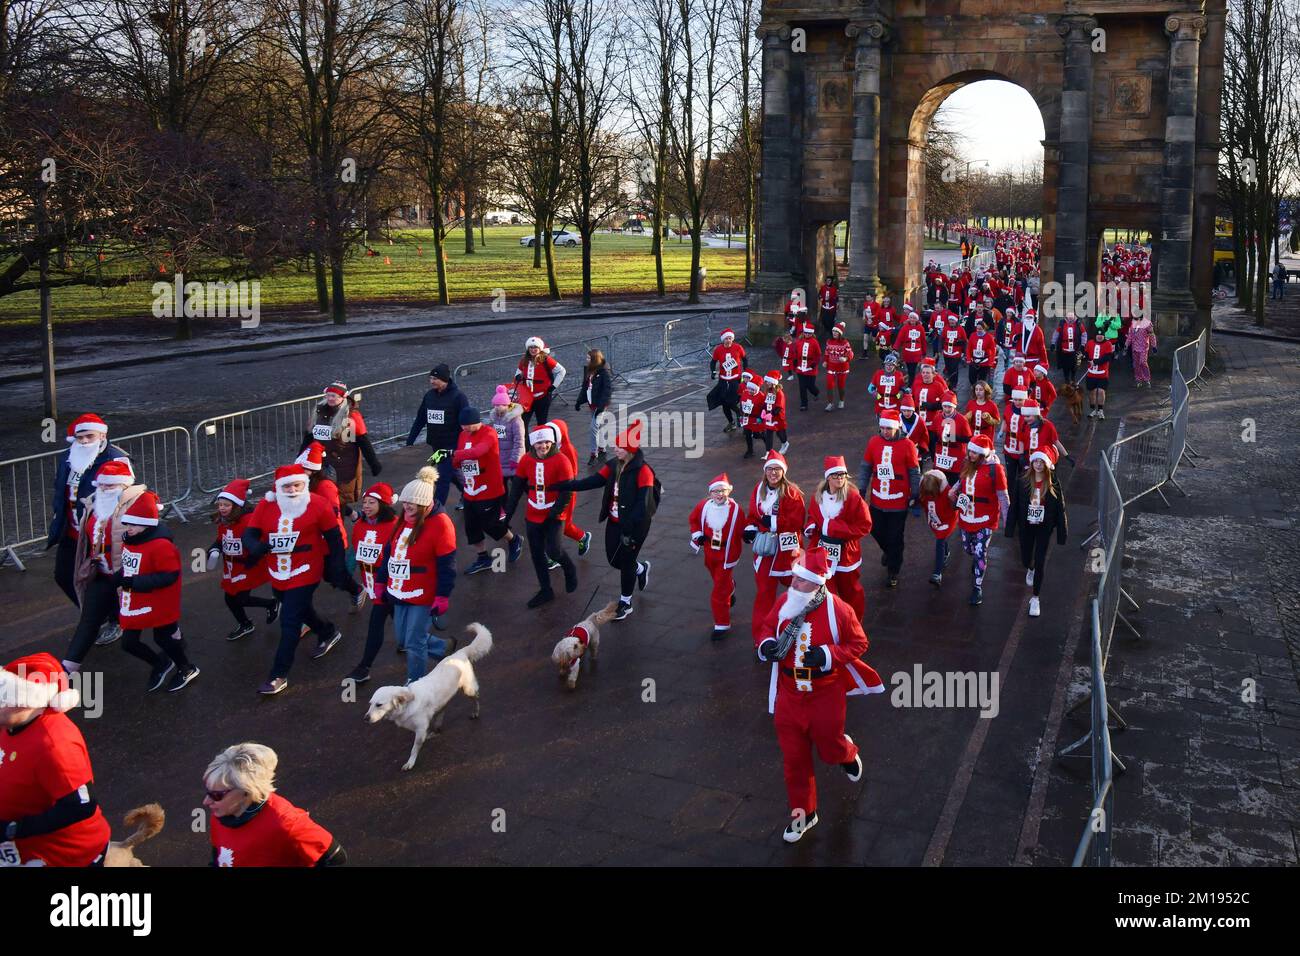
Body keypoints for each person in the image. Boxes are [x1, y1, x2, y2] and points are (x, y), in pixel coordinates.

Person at [756, 547, 883, 844]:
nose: (794, 584)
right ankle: (804, 815)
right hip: (789, 696)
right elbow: (766, 628)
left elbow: (859, 643)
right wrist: (766, 646)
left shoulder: (839, 609)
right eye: (795, 578)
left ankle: (845, 752)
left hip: (825, 695)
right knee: (794, 761)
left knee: (829, 748)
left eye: (802, 580)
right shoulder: (785, 602)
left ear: (818, 582)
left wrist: (827, 655)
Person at [242, 464, 350, 695]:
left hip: (306, 568)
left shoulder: (317, 504)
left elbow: (334, 538)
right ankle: (327, 630)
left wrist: (337, 566)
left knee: (290, 621)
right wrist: (256, 546)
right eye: (287, 486)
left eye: (297, 485)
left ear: (305, 484)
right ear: (279, 487)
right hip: (278, 570)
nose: (292, 490)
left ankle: (278, 675)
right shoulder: (267, 505)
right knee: (299, 609)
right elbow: (249, 534)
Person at [0, 654, 112, 866]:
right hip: (23, 849)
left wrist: (13, 829)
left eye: (3, 696)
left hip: (64, 854)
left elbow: (80, 806)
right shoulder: (9, 724)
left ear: (26, 700)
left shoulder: (54, 743)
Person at [553, 425, 659, 621]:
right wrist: (567, 485)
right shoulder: (613, 465)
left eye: (619, 446)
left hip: (636, 524)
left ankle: (625, 603)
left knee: (626, 561)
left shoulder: (644, 472)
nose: (614, 448)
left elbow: (643, 505)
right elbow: (593, 481)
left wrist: (629, 528)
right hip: (615, 520)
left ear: (630, 450)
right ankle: (640, 568)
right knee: (613, 559)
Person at [61, 460, 147, 675]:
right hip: (100, 574)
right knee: (88, 621)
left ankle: (175, 660)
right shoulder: (92, 504)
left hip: (129, 576)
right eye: (102, 486)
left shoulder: (139, 503)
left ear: (124, 485)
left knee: (149, 624)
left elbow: (155, 536)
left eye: (110, 485)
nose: (105, 490)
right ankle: (67, 670)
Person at [375, 468, 459, 684]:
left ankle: (415, 683)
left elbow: (447, 565)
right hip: (398, 590)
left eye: (412, 503)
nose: (407, 507)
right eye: (405, 503)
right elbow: (389, 554)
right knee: (404, 639)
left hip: (423, 594)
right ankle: (442, 647)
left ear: (425, 503)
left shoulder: (441, 524)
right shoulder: (403, 519)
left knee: (413, 642)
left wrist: (442, 595)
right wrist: (381, 581)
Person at [204, 742, 345, 867]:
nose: (206, 802)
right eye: (208, 792)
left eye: (216, 795)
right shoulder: (220, 812)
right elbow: (220, 858)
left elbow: (335, 858)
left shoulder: (286, 822)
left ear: (246, 791)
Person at [116, 491, 200, 693]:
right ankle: (160, 664)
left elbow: (169, 575)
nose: (128, 528)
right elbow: (128, 566)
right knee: (128, 643)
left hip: (159, 602)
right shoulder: (131, 540)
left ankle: (187, 668)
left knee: (163, 639)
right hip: (136, 599)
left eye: (132, 525)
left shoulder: (162, 546)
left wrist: (132, 582)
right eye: (127, 524)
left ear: (146, 524)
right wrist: (118, 579)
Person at [46, 413, 131, 611]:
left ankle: (111, 618)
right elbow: (60, 490)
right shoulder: (67, 457)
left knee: (103, 579)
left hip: (98, 532)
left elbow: (125, 497)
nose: (84, 441)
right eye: (79, 437)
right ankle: (93, 615)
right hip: (71, 531)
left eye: (89, 436)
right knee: (64, 576)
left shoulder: (116, 458)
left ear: (102, 436)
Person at [504, 423, 578, 609]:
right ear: (533, 444)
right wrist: (507, 515)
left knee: (553, 551)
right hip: (533, 514)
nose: (543, 446)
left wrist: (554, 514)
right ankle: (546, 590)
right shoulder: (526, 461)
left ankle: (569, 568)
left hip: (554, 515)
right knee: (537, 554)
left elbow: (566, 492)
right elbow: (516, 490)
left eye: (546, 442)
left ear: (552, 442)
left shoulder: (562, 460)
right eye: (539, 443)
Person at [742, 451, 806, 647]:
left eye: (777, 469)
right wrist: (750, 528)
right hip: (766, 553)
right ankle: (762, 637)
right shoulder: (758, 490)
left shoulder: (792, 492)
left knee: (797, 591)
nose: (773, 473)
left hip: (788, 553)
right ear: (765, 471)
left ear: (783, 472)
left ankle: (801, 630)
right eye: (770, 469)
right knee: (764, 595)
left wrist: (775, 522)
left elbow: (797, 520)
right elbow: (753, 515)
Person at [297, 442, 367, 612]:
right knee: (306, 578)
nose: (299, 472)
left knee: (334, 576)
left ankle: (357, 590)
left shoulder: (325, 486)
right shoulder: (301, 483)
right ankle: (302, 615)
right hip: (310, 540)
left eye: (303, 469)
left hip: (330, 540)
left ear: (313, 469)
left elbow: (332, 513)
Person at [452, 406, 522, 576]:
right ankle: (483, 558)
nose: (466, 428)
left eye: (469, 425)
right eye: (463, 426)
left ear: (478, 422)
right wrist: (455, 461)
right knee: (472, 526)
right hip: (470, 489)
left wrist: (454, 453)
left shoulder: (489, 433)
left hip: (489, 489)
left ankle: (514, 540)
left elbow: (478, 452)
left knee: (491, 525)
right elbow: (459, 458)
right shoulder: (462, 435)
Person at [343, 483, 401, 685]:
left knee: (376, 625)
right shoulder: (359, 525)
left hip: (390, 586)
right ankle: (436, 646)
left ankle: (364, 667)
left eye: (371, 502)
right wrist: (346, 571)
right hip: (372, 585)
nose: (365, 506)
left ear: (383, 504)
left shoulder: (395, 525)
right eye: (365, 502)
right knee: (402, 624)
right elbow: (356, 552)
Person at [209, 478, 279, 642]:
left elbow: (260, 541)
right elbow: (221, 539)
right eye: (220, 505)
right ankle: (245, 624)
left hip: (249, 564)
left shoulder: (248, 520)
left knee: (240, 598)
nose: (222, 508)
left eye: (226, 505)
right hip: (232, 566)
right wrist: (214, 549)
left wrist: (253, 559)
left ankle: (271, 604)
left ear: (236, 505)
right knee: (229, 598)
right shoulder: (224, 521)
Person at [803, 456, 871, 621]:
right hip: (823, 553)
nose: (840, 478)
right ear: (828, 477)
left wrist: (834, 528)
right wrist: (811, 526)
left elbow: (865, 525)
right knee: (827, 592)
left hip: (846, 554)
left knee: (851, 591)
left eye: (842, 475)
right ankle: (832, 622)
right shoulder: (817, 497)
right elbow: (813, 516)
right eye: (836, 475)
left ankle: (854, 621)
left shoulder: (853, 497)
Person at [1005, 446, 1069, 618]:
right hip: (1026, 526)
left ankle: (1035, 598)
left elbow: (1060, 507)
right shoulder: (1022, 481)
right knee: (1026, 559)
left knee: (1040, 560)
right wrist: (1010, 528)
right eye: (1036, 462)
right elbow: (1015, 505)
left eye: (1042, 462)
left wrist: (1062, 532)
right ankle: (1030, 567)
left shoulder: (1053, 483)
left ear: (1047, 465)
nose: (1038, 465)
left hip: (1044, 528)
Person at [859, 412, 920, 588]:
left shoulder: (907, 445)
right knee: (875, 529)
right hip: (878, 499)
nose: (885, 431)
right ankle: (889, 552)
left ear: (897, 427)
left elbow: (913, 471)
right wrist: (862, 489)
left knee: (895, 537)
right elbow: (866, 467)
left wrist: (914, 493)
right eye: (883, 428)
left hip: (899, 502)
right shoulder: (873, 442)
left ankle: (893, 570)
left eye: (889, 428)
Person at [948, 434, 1009, 606]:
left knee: (980, 552)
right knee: (969, 549)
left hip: (986, 519)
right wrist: (953, 491)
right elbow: (961, 482)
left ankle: (977, 587)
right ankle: (976, 564)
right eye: (970, 451)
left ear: (983, 454)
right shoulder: (967, 463)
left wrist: (1008, 520)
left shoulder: (995, 470)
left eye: (975, 452)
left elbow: (1003, 496)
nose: (970, 455)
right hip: (966, 517)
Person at [301, 382, 381, 505]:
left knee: (338, 500)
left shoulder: (350, 416)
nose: (330, 399)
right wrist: (300, 456)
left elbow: (362, 441)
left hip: (342, 465)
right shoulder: (319, 412)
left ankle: (343, 519)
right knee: (319, 497)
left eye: (334, 396)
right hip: (319, 463)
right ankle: (352, 515)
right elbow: (309, 436)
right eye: (328, 395)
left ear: (342, 397)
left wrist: (373, 463)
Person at [689, 473, 743, 640]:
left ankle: (721, 624)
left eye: (723, 491)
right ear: (710, 493)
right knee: (719, 580)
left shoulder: (735, 509)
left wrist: (749, 532)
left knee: (719, 590)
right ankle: (730, 586)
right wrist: (697, 535)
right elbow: (693, 520)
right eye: (716, 491)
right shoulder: (703, 506)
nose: (720, 494)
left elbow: (744, 525)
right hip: (710, 553)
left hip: (727, 556)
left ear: (729, 492)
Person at [406, 364, 470, 506]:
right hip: (436, 445)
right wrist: (411, 439)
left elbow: (467, 422)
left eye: (435, 378)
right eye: (431, 378)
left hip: (451, 445)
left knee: (442, 477)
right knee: (450, 473)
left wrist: (467, 443)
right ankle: (468, 495)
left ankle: (436, 510)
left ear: (444, 379)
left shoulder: (458, 397)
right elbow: (421, 418)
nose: (432, 381)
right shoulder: (429, 396)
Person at [918, 470, 959, 586]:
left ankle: (937, 573)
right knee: (941, 539)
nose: (930, 496)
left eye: (932, 494)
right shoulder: (924, 488)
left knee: (939, 541)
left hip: (947, 519)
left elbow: (955, 507)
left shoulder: (947, 492)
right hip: (935, 518)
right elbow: (922, 501)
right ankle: (946, 552)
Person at [515, 336, 566, 428]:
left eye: (535, 347)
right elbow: (518, 372)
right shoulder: (524, 360)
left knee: (541, 423)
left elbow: (561, 371)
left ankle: (542, 441)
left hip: (543, 397)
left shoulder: (546, 359)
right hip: (527, 398)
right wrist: (518, 377)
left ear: (540, 348)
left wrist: (554, 386)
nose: (533, 349)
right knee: (523, 423)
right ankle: (526, 442)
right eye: (531, 347)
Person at [576, 348, 615, 460]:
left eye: (589, 358)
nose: (586, 359)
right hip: (592, 404)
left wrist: (601, 407)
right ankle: (602, 447)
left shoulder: (604, 372)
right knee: (599, 426)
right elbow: (585, 387)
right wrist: (579, 401)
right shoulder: (588, 370)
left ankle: (594, 453)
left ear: (594, 359)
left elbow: (607, 391)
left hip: (600, 405)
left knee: (593, 427)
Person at [929, 391, 972, 486]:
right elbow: (933, 434)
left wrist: (956, 438)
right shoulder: (937, 417)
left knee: (954, 482)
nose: (947, 410)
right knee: (938, 482)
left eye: (950, 407)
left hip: (955, 455)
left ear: (954, 407)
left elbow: (968, 438)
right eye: (945, 407)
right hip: (941, 454)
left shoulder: (961, 419)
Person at [488, 385, 526, 480]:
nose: (499, 407)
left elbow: (519, 441)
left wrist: (516, 459)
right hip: (500, 459)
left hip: (512, 459)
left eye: (502, 405)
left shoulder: (515, 420)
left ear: (507, 405)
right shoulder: (495, 418)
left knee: (518, 484)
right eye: (496, 405)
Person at [822, 321, 853, 411]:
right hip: (831, 367)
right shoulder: (829, 341)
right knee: (829, 384)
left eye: (836, 332)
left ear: (840, 333)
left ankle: (841, 400)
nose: (834, 333)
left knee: (841, 385)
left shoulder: (845, 342)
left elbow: (850, 354)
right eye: (833, 331)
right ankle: (830, 403)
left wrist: (846, 358)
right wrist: (825, 361)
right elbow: (827, 353)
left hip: (842, 368)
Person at [1083, 333, 1116, 418]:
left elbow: (1107, 357)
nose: (1099, 336)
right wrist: (1086, 358)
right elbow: (1086, 354)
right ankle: (1093, 410)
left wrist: (1095, 362)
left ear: (1104, 336)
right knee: (1092, 392)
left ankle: (1100, 410)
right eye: (1097, 335)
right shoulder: (1090, 342)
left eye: (1101, 335)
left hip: (1102, 374)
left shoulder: (1108, 344)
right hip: (1091, 373)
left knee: (1101, 391)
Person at [790, 322, 822, 410]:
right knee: (802, 387)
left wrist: (814, 363)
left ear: (812, 333)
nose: (807, 334)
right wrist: (795, 361)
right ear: (803, 332)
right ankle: (804, 404)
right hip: (800, 367)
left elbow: (818, 355)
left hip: (810, 367)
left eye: (809, 333)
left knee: (810, 385)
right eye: (806, 333)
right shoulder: (799, 341)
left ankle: (816, 392)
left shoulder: (814, 342)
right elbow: (795, 352)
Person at [893, 307, 928, 380]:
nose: (912, 319)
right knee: (909, 369)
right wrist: (895, 348)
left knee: (913, 369)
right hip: (907, 352)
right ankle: (911, 382)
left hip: (916, 352)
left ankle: (911, 383)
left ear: (917, 319)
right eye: (911, 317)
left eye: (914, 318)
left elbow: (923, 341)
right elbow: (899, 338)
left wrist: (924, 352)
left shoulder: (920, 328)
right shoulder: (905, 327)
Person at [868, 351, 906, 416]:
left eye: (891, 365)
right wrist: (876, 394)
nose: (889, 366)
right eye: (887, 364)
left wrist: (898, 395)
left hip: (895, 407)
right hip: (880, 407)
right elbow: (870, 388)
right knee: (882, 425)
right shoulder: (878, 374)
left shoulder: (899, 375)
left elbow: (903, 388)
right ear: (884, 364)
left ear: (895, 366)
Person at [761, 370, 790, 454]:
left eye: (769, 382)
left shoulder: (779, 393)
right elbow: (765, 402)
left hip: (778, 417)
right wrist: (763, 410)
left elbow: (779, 407)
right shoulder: (767, 391)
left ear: (774, 382)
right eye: (767, 381)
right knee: (769, 433)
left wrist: (771, 414)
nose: (767, 383)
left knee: (780, 433)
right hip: (769, 417)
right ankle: (768, 452)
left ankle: (785, 443)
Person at [739, 378, 769, 460]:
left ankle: (769, 449)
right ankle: (750, 450)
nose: (750, 391)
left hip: (757, 418)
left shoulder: (762, 397)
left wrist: (760, 418)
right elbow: (741, 404)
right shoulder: (745, 393)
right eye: (749, 389)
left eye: (752, 389)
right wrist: (741, 415)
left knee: (760, 435)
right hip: (747, 418)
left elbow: (764, 409)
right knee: (747, 434)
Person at [1053, 311, 1087, 381]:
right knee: (1065, 365)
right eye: (1069, 316)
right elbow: (1056, 333)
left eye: (1072, 316)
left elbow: (1084, 334)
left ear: (1074, 316)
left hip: (1075, 349)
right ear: (1066, 317)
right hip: (1064, 349)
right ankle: (1066, 378)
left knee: (1075, 365)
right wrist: (1053, 343)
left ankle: (1073, 377)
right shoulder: (1062, 323)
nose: (1070, 318)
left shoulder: (1079, 324)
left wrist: (1083, 344)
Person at [939, 311, 967, 390]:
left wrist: (964, 353)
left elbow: (965, 341)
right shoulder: (946, 328)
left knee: (954, 368)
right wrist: (939, 349)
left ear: (956, 321)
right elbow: (941, 339)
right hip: (946, 352)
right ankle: (949, 383)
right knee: (948, 368)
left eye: (953, 320)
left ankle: (954, 385)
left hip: (956, 352)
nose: (951, 322)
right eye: (950, 320)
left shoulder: (960, 329)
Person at [965, 317, 997, 387]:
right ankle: (974, 388)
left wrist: (991, 361)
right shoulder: (972, 335)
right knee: (971, 378)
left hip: (984, 362)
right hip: (974, 361)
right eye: (977, 329)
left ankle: (980, 390)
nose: (978, 330)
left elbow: (993, 350)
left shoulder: (989, 337)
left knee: (982, 379)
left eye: (980, 329)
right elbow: (969, 348)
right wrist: (968, 358)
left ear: (984, 329)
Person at [1128, 314, 1157, 388]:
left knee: (1142, 362)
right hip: (1135, 347)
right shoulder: (1133, 323)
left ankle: (1147, 379)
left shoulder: (1147, 323)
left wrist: (1154, 345)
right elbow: (1130, 335)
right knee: (1136, 364)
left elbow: (1152, 334)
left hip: (1143, 347)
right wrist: (1126, 344)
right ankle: (1138, 380)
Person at [817, 275, 838, 339]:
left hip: (831, 308)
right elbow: (819, 295)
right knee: (824, 320)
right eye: (827, 280)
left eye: (829, 280)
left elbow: (836, 298)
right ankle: (827, 330)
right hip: (824, 307)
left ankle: (831, 333)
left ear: (831, 281)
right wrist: (820, 298)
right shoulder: (823, 287)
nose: (828, 282)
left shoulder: (834, 288)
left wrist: (831, 299)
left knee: (831, 321)